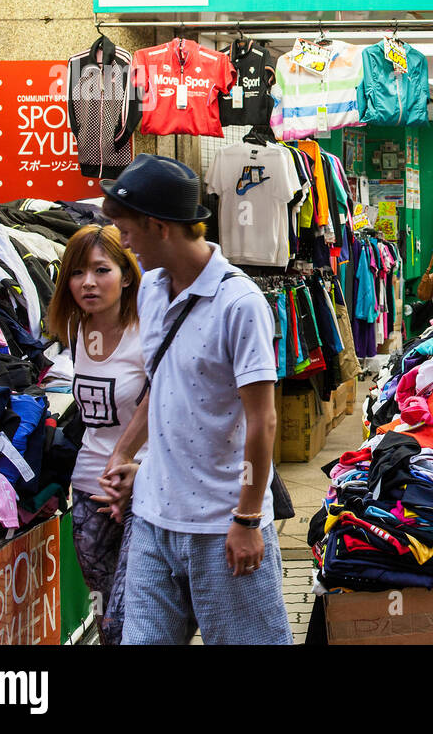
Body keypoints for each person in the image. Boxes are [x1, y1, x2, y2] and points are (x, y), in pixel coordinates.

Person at [97, 154, 291, 645]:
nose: (123, 241)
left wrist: (247, 518)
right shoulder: (153, 290)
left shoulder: (239, 303)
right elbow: (161, 384)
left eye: (126, 229)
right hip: (152, 521)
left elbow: (262, 420)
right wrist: (123, 453)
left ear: (159, 226)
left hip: (221, 524)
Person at [47, 223, 146, 646]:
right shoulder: (73, 331)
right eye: (77, 272)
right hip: (88, 489)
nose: (87, 283)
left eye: (101, 270)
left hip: (144, 489)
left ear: (126, 275)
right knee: (103, 614)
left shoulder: (148, 332)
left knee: (133, 614)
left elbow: (167, 407)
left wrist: (134, 466)